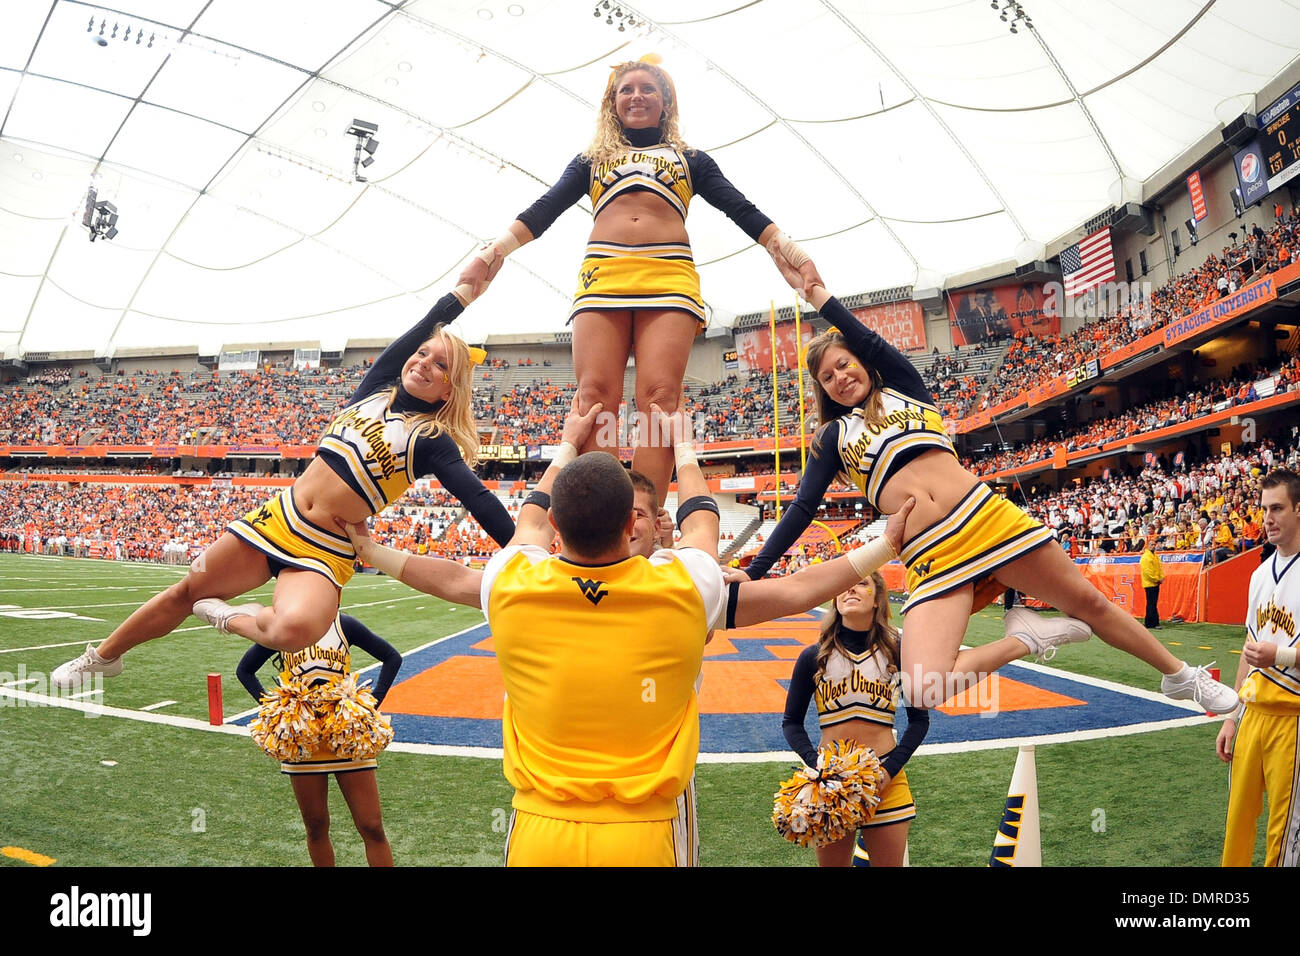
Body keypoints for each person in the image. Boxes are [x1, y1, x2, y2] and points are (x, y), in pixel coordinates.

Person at [745, 255, 1240, 715]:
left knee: (1089, 603)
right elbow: (802, 508)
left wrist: (818, 295)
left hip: (985, 519)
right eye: (827, 376)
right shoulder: (833, 437)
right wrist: (755, 571)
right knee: (921, 687)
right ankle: (1025, 638)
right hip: (929, 553)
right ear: (821, 389)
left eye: (844, 364)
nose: (839, 377)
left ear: (862, 363)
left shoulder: (903, 386)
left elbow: (869, 340)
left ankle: (1181, 676)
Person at [52, 285, 514, 688]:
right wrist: (461, 297)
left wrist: (522, 549)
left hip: (327, 547)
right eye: (423, 354)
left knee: (295, 631)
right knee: (182, 592)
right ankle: (103, 657)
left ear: (449, 391)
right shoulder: (375, 388)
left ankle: (227, 616)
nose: (424, 363)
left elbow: (478, 499)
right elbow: (418, 330)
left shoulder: (430, 440)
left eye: (441, 365)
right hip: (277, 518)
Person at [455, 54, 822, 506]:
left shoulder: (690, 159)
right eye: (626, 89)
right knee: (593, 397)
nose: (636, 96)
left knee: (660, 400)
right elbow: (543, 209)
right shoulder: (592, 159)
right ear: (612, 102)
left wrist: (791, 253)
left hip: (670, 275)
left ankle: (646, 519)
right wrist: (490, 254)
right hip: (602, 275)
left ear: (665, 102)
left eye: (648, 88)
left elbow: (740, 208)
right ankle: (604, 516)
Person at [236, 612, 401, 867]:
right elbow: (245, 670)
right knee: (315, 826)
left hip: (346, 737)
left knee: (371, 826)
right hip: (304, 741)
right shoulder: (284, 627)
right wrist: (276, 710)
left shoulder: (343, 624)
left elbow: (392, 657)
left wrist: (370, 706)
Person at [1216, 469, 1300, 866]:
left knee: (1283, 833)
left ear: (1299, 510)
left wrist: (1279, 656)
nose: (1268, 517)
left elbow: (1268, 654)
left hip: (1293, 717)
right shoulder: (1258, 575)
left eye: (1278, 507)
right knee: (1238, 823)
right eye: (1265, 508)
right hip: (1252, 715)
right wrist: (1232, 716)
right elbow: (1249, 651)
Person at [1139, 538, 1164, 629]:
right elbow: (1147, 572)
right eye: (1152, 545)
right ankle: (1154, 623)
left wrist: (1161, 577)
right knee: (1152, 604)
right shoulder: (1146, 557)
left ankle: (1149, 622)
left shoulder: (1155, 556)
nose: (1153, 546)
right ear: (1147, 545)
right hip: (1150, 584)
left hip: (1155, 583)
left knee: (1151, 603)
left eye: (1154, 544)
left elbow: (1159, 568)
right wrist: (1157, 579)